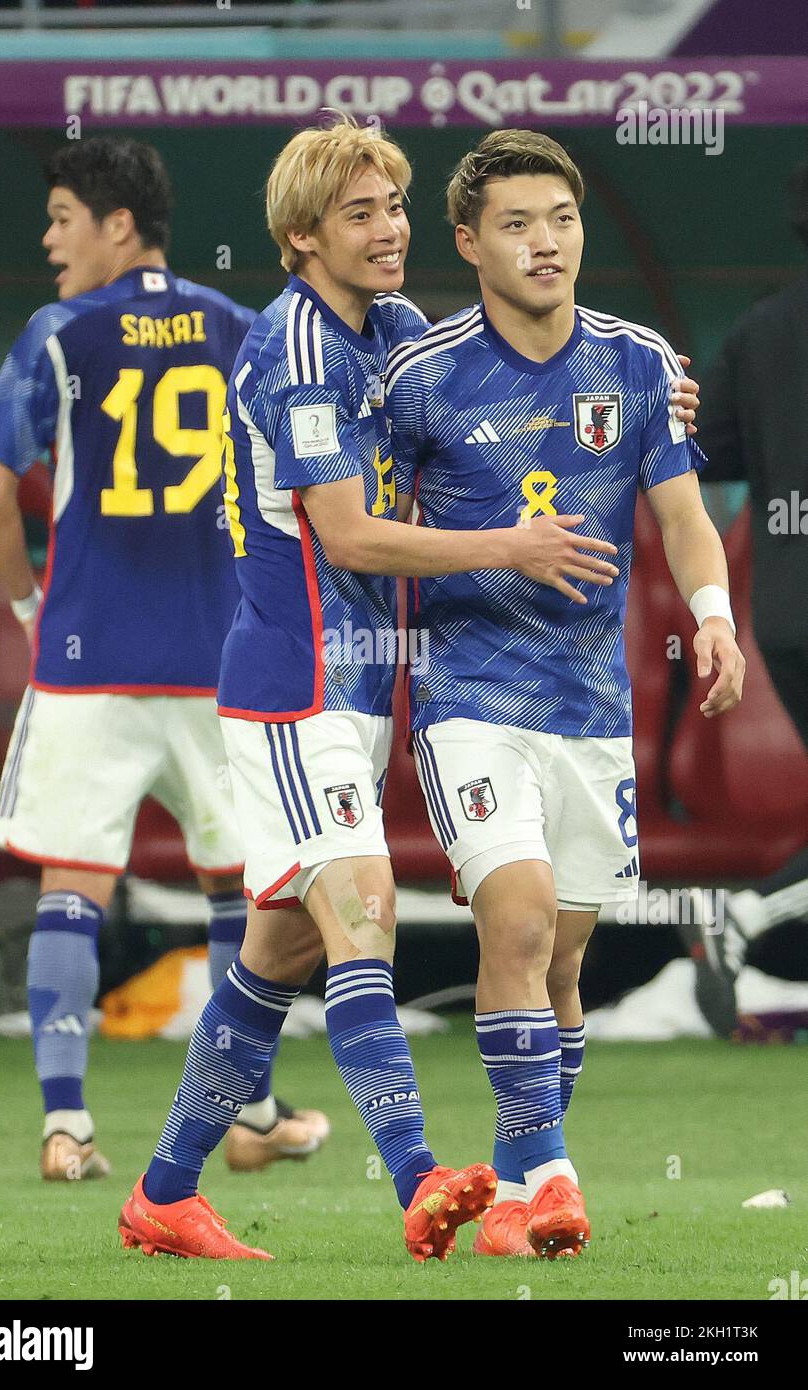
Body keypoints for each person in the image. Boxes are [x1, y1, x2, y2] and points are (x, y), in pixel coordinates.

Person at [118, 114, 636, 1264]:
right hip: (292, 686)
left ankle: (162, 1191)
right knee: (364, 909)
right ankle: (416, 1178)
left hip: (361, 693)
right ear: (301, 238)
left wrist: (648, 402)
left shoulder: (397, 331)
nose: (390, 229)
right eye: (359, 213)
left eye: (395, 207)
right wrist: (511, 545)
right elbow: (347, 537)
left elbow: (500, 394)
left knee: (280, 953)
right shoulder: (292, 349)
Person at [384, 129, 744, 1258]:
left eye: (562, 220)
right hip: (468, 698)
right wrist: (496, 551)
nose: (545, 244)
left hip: (590, 711)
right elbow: (362, 533)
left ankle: (517, 1184)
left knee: (564, 961)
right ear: (468, 242)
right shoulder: (422, 376)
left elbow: (682, 517)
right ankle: (543, 1176)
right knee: (521, 915)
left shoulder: (636, 364)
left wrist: (715, 617)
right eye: (516, 225)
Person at [0, 137, 327, 1183]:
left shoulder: (60, 332)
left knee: (70, 889)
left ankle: (68, 1125)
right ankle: (247, 1110)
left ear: (117, 225)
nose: (49, 240)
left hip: (90, 663)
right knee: (243, 890)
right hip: (223, 666)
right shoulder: (241, 328)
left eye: (62, 216)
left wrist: (30, 599)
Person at [677, 163, 808, 1035]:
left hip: (792, 618)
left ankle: (746, 919)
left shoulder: (764, 331)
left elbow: (704, 453)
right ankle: (747, 916)